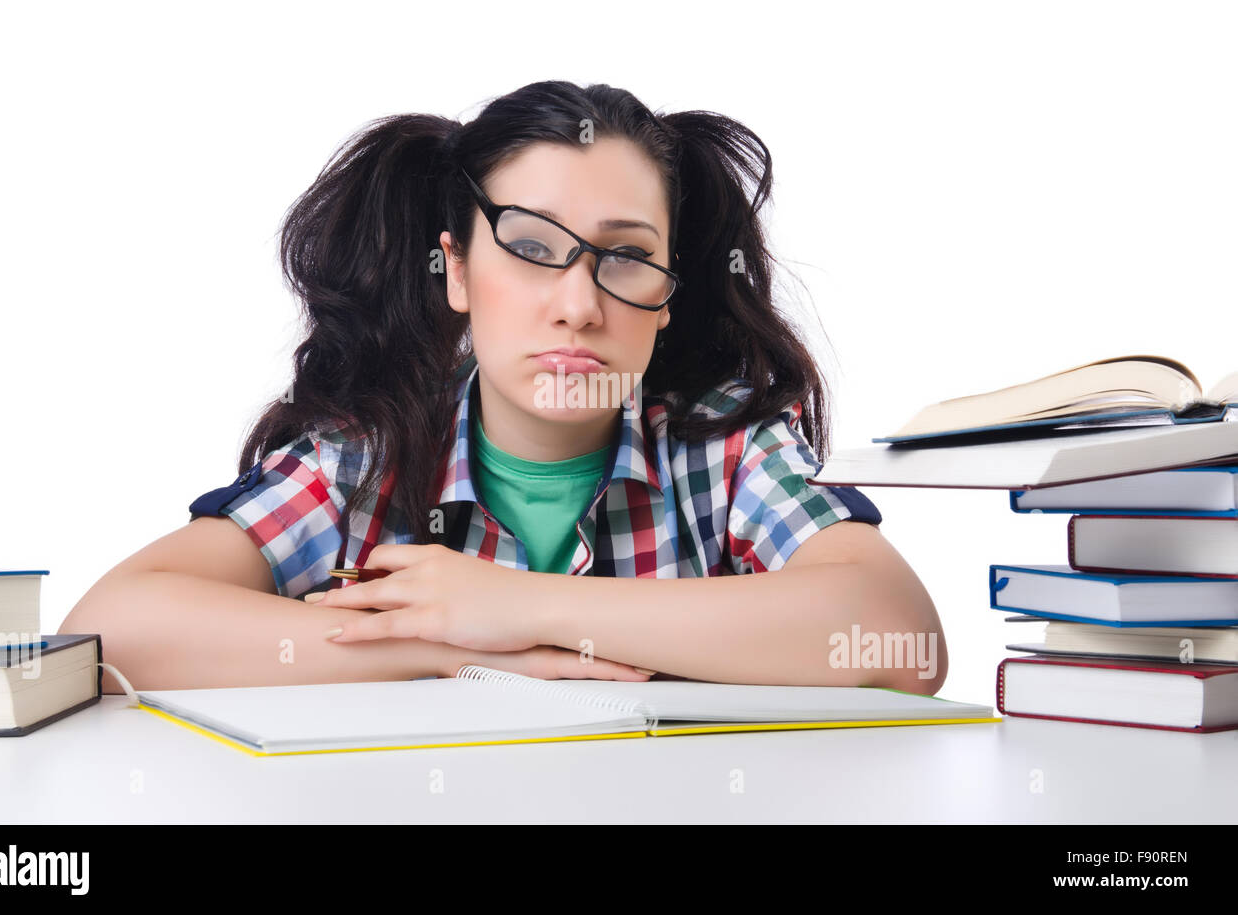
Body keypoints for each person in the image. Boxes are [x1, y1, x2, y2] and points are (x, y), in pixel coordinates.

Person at [61, 80, 946, 694]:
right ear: (455, 271)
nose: (578, 306)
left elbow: (897, 636)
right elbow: (112, 627)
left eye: (628, 258)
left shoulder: (719, 444)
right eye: (529, 247)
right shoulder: (368, 453)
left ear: (669, 296)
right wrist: (434, 646)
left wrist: (514, 605)